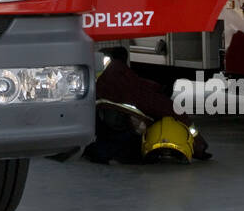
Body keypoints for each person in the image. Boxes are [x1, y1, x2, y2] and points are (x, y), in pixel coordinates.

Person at [83, 46, 211, 163]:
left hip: (99, 123)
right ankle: (101, 151)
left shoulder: (100, 79)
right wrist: (199, 146)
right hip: (120, 127)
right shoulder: (133, 85)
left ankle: (98, 150)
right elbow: (173, 111)